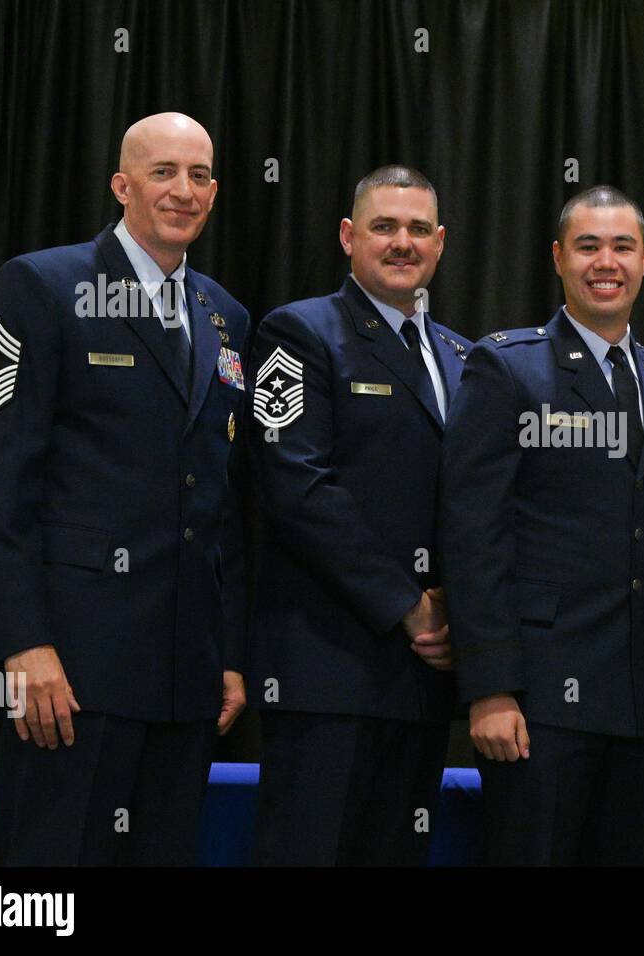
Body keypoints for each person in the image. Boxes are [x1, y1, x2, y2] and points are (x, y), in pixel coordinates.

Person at [0, 112, 249, 865]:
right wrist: (22, 644)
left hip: (185, 674)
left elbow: (224, 502)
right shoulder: (42, 286)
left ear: (214, 192)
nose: (183, 191)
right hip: (71, 670)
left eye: (199, 175)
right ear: (122, 184)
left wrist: (228, 652)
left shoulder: (226, 319)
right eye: (163, 173)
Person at [439, 185, 644, 866]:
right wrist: (490, 687)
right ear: (559, 257)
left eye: (623, 246)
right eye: (589, 245)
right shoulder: (507, 367)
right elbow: (474, 533)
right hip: (541, 703)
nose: (607, 261)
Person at [248, 165, 467, 866]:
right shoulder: (299, 332)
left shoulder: (465, 358)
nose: (401, 242)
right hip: (327, 674)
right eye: (383, 226)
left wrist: (461, 611)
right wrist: (408, 605)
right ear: (349, 237)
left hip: (424, 678)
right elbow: (297, 489)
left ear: (439, 243)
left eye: (416, 229)